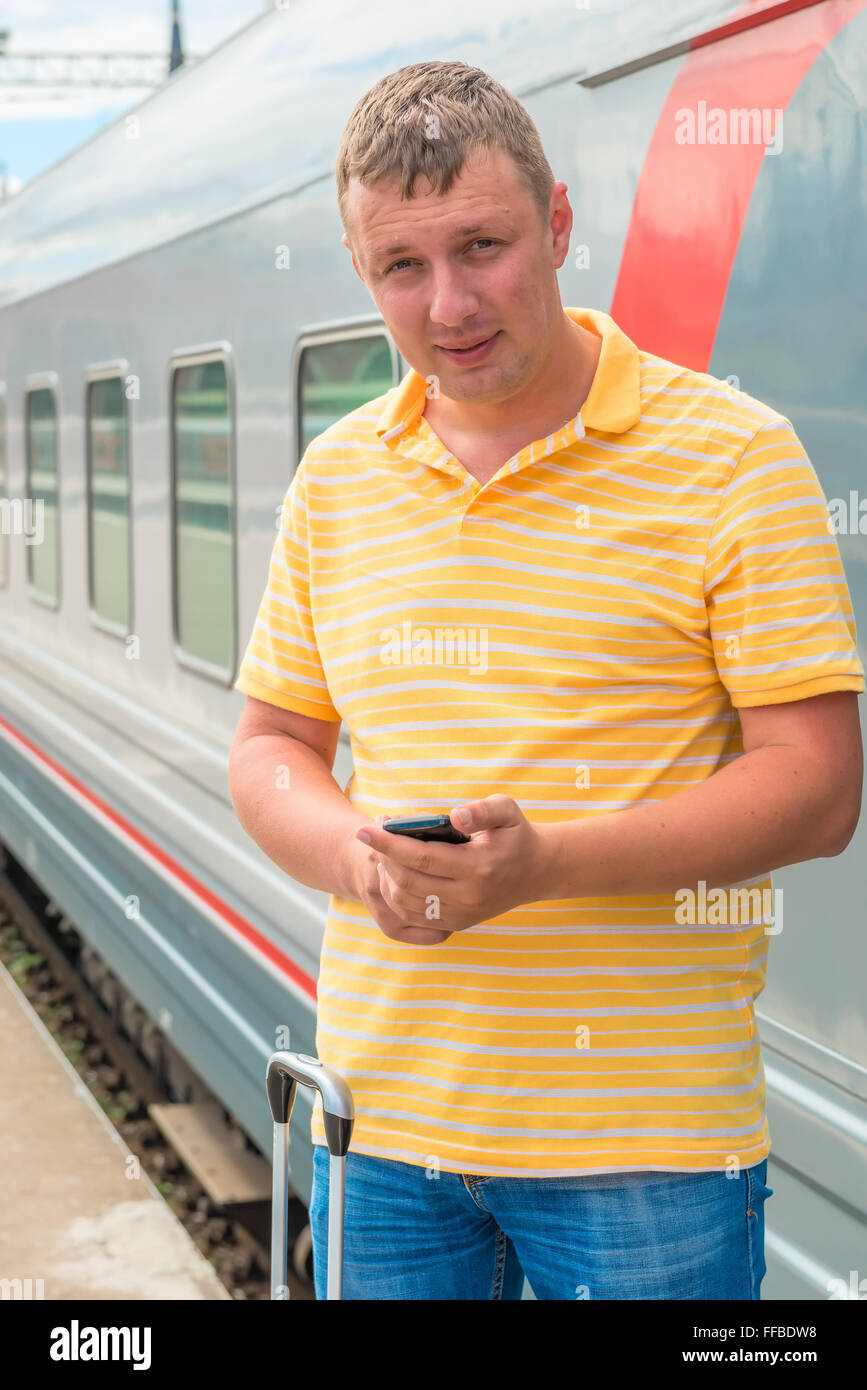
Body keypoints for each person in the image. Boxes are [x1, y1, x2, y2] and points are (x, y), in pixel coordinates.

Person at [229, 61, 864, 1300]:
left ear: (560, 223)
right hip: (382, 1121)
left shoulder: (735, 457)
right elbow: (269, 751)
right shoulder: (338, 476)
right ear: (365, 272)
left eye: (484, 245)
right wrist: (355, 853)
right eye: (401, 267)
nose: (450, 302)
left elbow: (821, 789)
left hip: (649, 1150)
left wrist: (546, 868)